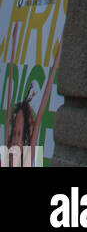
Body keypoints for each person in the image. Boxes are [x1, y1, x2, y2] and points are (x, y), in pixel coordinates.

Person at [2, 23, 62, 166]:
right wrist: (13, 44)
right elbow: (9, 93)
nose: (15, 141)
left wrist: (59, 53)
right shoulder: (6, 155)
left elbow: (41, 111)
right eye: (15, 133)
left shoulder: (27, 160)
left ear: (25, 141)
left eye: (18, 134)